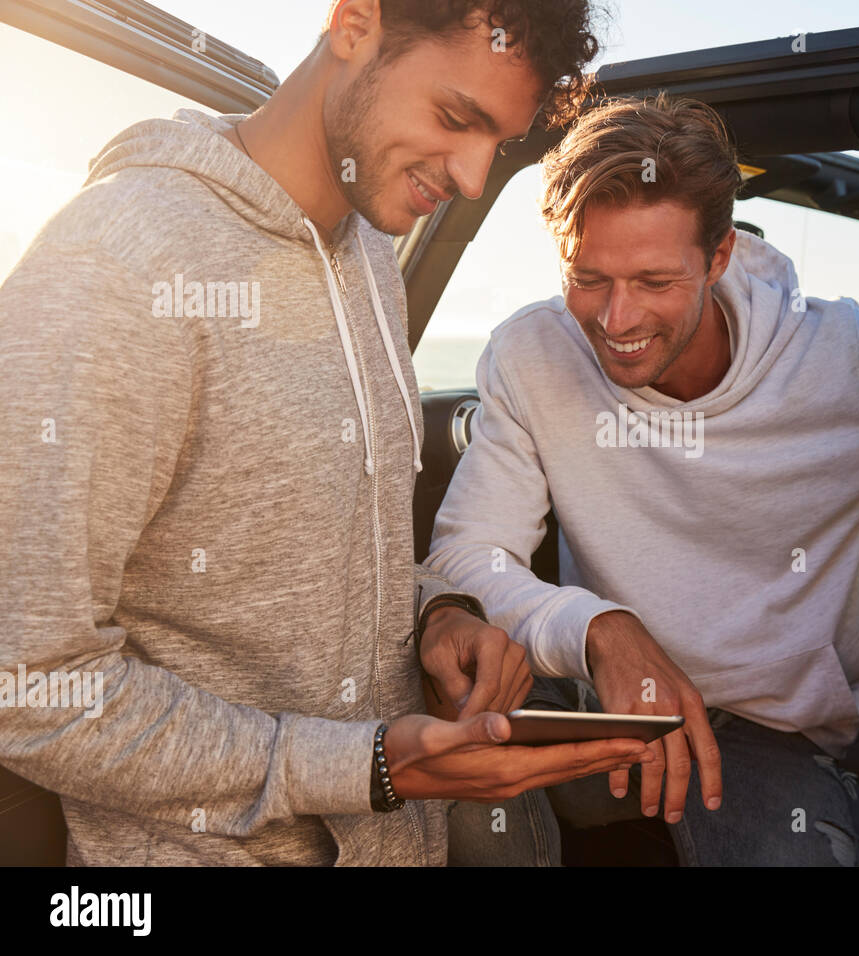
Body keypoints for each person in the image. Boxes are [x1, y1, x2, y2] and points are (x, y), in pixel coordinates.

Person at [0, 0, 651, 867]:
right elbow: (29, 686)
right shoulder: (116, 265)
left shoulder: (368, 250)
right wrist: (365, 766)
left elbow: (323, 565)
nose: (470, 178)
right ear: (354, 23)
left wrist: (437, 618)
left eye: (497, 143)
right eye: (455, 117)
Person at [426, 93, 859, 865]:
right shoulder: (532, 354)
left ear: (719, 257)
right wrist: (600, 630)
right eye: (588, 277)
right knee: (432, 736)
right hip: (585, 694)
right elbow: (468, 557)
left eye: (653, 280)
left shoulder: (855, 361)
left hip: (767, 730)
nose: (616, 320)